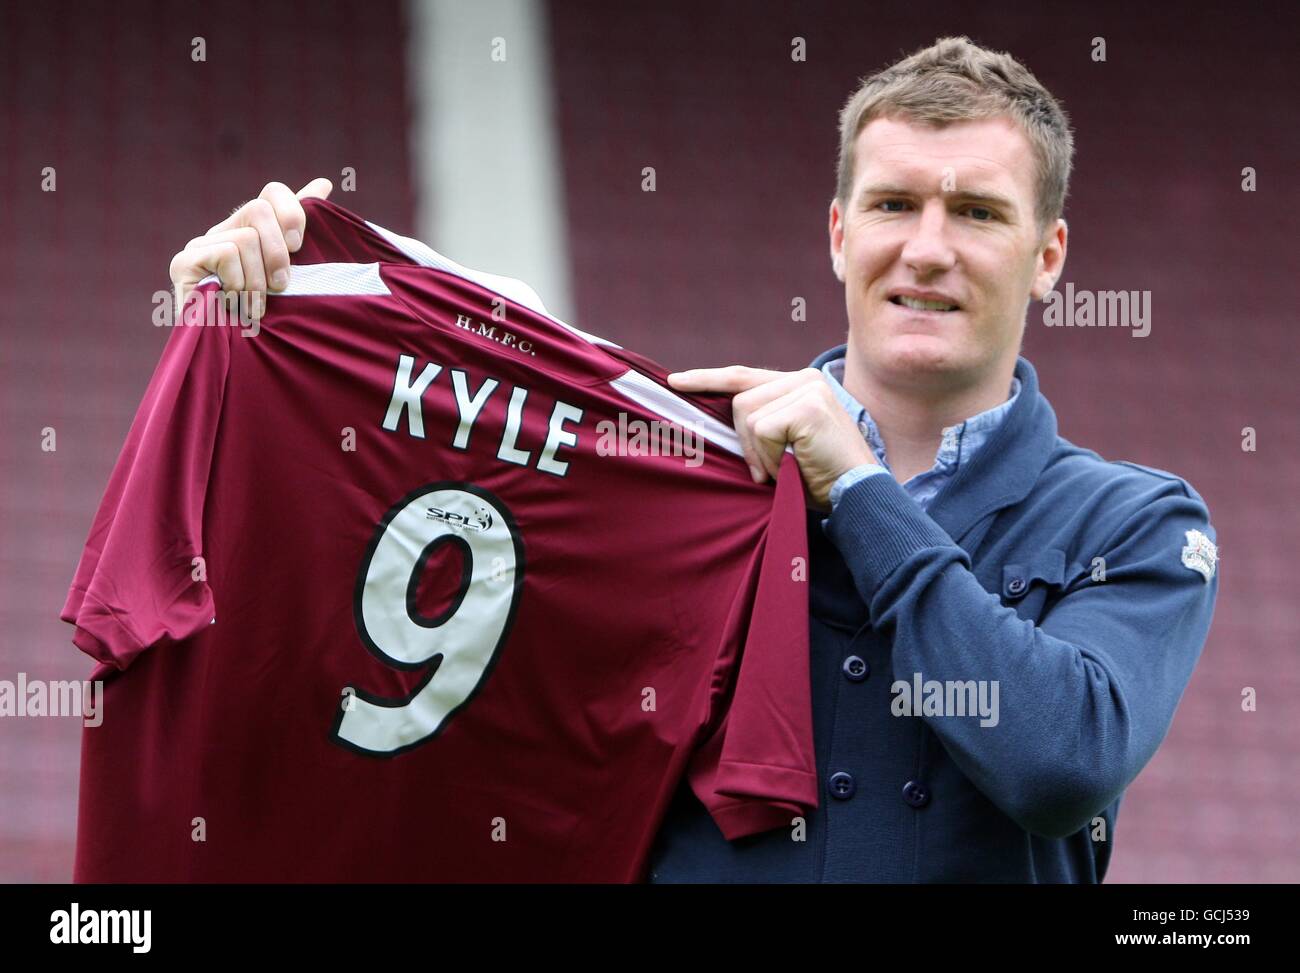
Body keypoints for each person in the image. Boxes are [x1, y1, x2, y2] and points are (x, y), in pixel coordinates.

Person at [168, 35, 1218, 883]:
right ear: (838, 234)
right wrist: (254, 324)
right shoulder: (674, 462)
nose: (929, 248)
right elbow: (366, 561)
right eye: (896, 204)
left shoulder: (1134, 524)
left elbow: (1055, 759)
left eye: (978, 213)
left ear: (1048, 258)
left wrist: (854, 485)